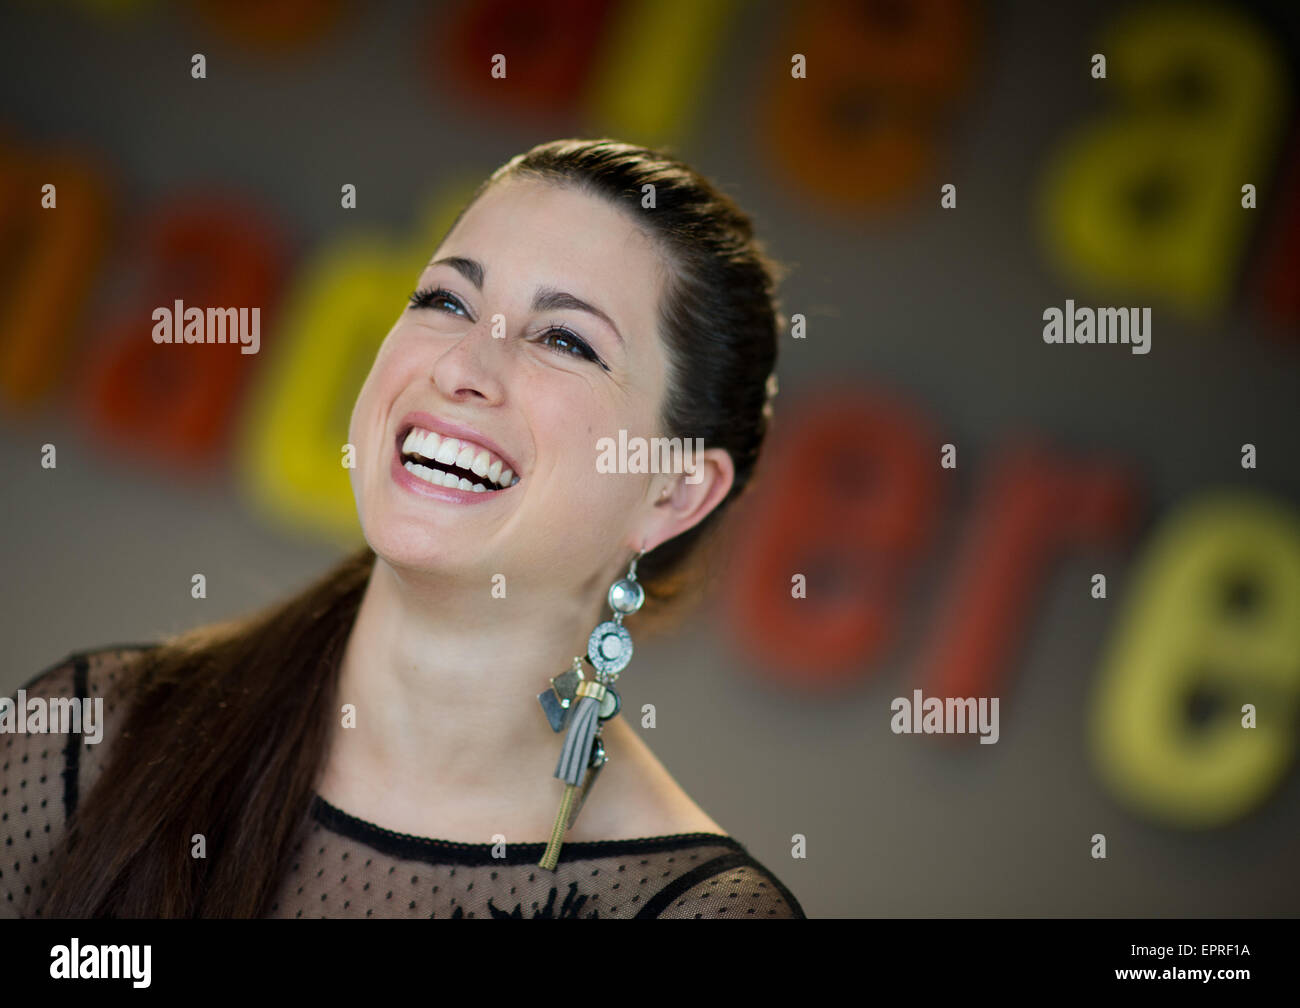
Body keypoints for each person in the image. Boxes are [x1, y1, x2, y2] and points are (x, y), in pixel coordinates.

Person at [1, 138, 804, 919]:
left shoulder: (699, 910)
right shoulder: (88, 737)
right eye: (446, 300)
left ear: (673, 493)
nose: (461, 367)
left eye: (564, 339)